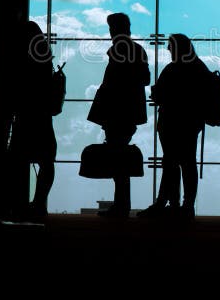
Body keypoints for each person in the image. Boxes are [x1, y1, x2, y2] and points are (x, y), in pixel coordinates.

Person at [138, 34, 209, 219]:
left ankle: (168, 202)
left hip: (170, 121)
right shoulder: (198, 67)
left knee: (170, 162)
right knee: (187, 162)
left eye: (170, 46)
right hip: (190, 122)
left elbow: (159, 94)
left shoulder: (172, 69)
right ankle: (186, 205)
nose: (168, 49)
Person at [87, 13, 150, 218]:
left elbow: (113, 85)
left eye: (111, 27)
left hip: (118, 112)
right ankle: (121, 204)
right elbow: (145, 79)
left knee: (117, 157)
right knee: (119, 156)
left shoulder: (120, 51)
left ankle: (121, 206)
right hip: (127, 112)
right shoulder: (136, 50)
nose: (110, 32)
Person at [9, 21, 59, 221]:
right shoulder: (44, 57)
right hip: (42, 115)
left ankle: (19, 204)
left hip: (25, 114)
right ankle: (39, 203)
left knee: (18, 159)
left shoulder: (21, 59)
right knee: (47, 160)